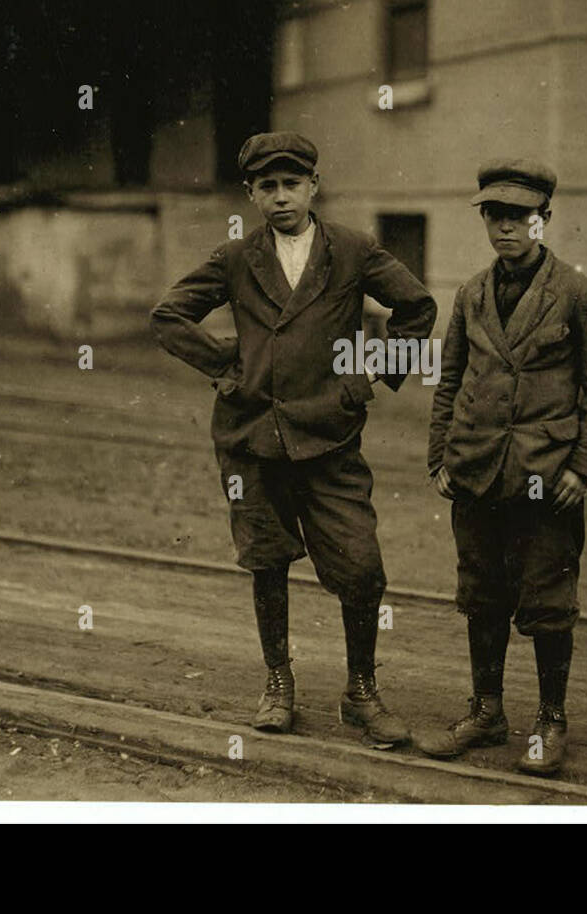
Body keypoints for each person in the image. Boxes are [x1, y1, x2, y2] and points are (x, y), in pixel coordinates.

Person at [149, 131, 436, 746]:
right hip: (251, 439)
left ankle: (361, 692)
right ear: (252, 193)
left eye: (292, 185)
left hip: (330, 437)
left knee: (361, 568)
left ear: (313, 187)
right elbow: (168, 315)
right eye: (267, 187)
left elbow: (417, 306)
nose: (281, 198)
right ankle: (278, 682)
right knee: (267, 560)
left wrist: (371, 375)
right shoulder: (236, 258)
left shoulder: (352, 250)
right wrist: (229, 366)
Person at [416, 158, 587, 776]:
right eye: (495, 216)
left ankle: (551, 719)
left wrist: (582, 469)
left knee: (548, 600)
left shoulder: (580, 296)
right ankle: (486, 712)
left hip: (545, 480)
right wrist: (440, 457)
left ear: (544, 220)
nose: (506, 228)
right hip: (477, 472)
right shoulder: (471, 294)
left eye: (520, 217)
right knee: (481, 595)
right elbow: (449, 379)